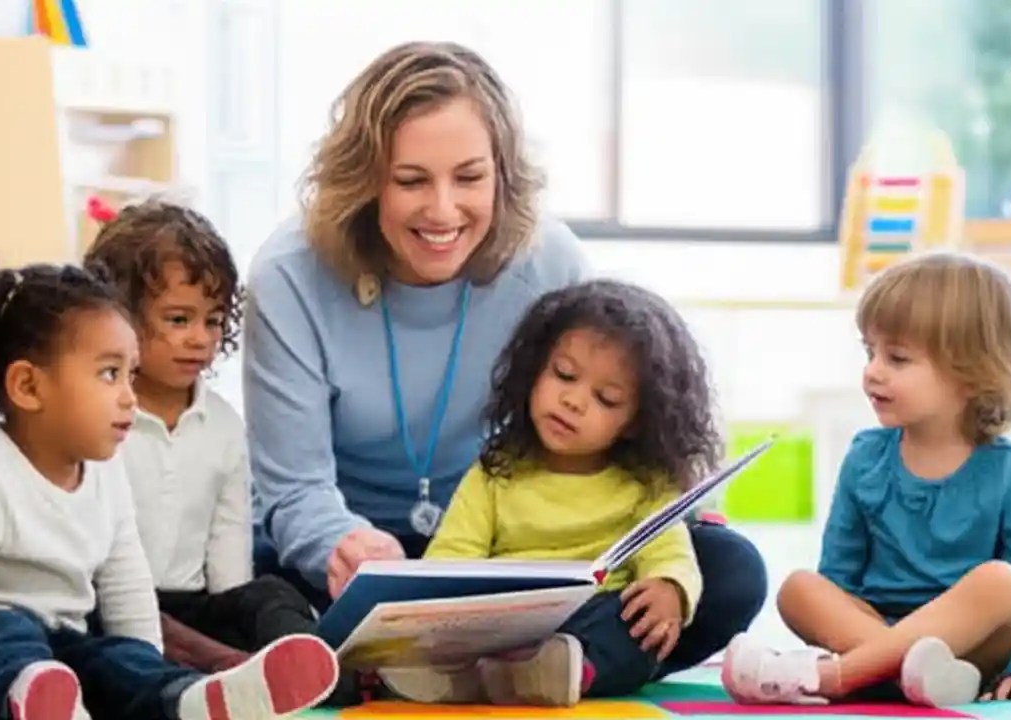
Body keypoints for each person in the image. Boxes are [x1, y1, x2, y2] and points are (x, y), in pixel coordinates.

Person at [244, 39, 767, 689]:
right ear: (364, 179)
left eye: (469, 177)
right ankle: (474, 661)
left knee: (726, 570)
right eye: (411, 180)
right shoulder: (287, 275)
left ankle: (536, 665)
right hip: (352, 561)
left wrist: (676, 515)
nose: (442, 210)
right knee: (246, 587)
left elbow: (620, 402)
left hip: (514, 553)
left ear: (503, 172)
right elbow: (293, 490)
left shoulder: (549, 258)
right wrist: (342, 546)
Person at [0, 250, 335, 720]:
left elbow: (128, 585)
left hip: (65, 652)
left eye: (130, 373)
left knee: (108, 656)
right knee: (6, 631)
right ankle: (34, 693)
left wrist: (143, 669)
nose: (128, 395)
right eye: (109, 374)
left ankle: (186, 700)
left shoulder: (103, 472)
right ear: (28, 387)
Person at [722, 252, 1011, 707]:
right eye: (870, 351)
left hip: (969, 650)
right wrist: (836, 629)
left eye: (897, 358)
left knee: (1004, 583)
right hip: (874, 626)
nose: (872, 371)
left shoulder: (1010, 470)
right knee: (799, 588)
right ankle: (900, 673)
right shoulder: (865, 458)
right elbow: (838, 575)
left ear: (973, 375)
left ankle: (840, 678)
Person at [379, 279, 721, 706]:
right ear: (536, 369)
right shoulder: (498, 470)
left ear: (635, 422)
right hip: (502, 621)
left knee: (634, 628)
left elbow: (668, 551)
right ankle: (485, 674)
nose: (573, 401)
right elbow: (454, 553)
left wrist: (669, 588)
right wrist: (440, 619)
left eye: (606, 398)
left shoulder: (646, 484)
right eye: (564, 375)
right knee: (439, 634)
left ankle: (557, 674)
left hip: (593, 620)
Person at [83, 200, 338, 684]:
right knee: (91, 620)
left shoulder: (222, 425)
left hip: (194, 603)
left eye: (214, 320)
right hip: (110, 602)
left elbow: (229, 545)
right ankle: (223, 670)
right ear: (119, 316)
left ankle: (322, 671)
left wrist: (241, 612)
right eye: (178, 320)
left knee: (271, 594)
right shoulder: (94, 419)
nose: (201, 338)